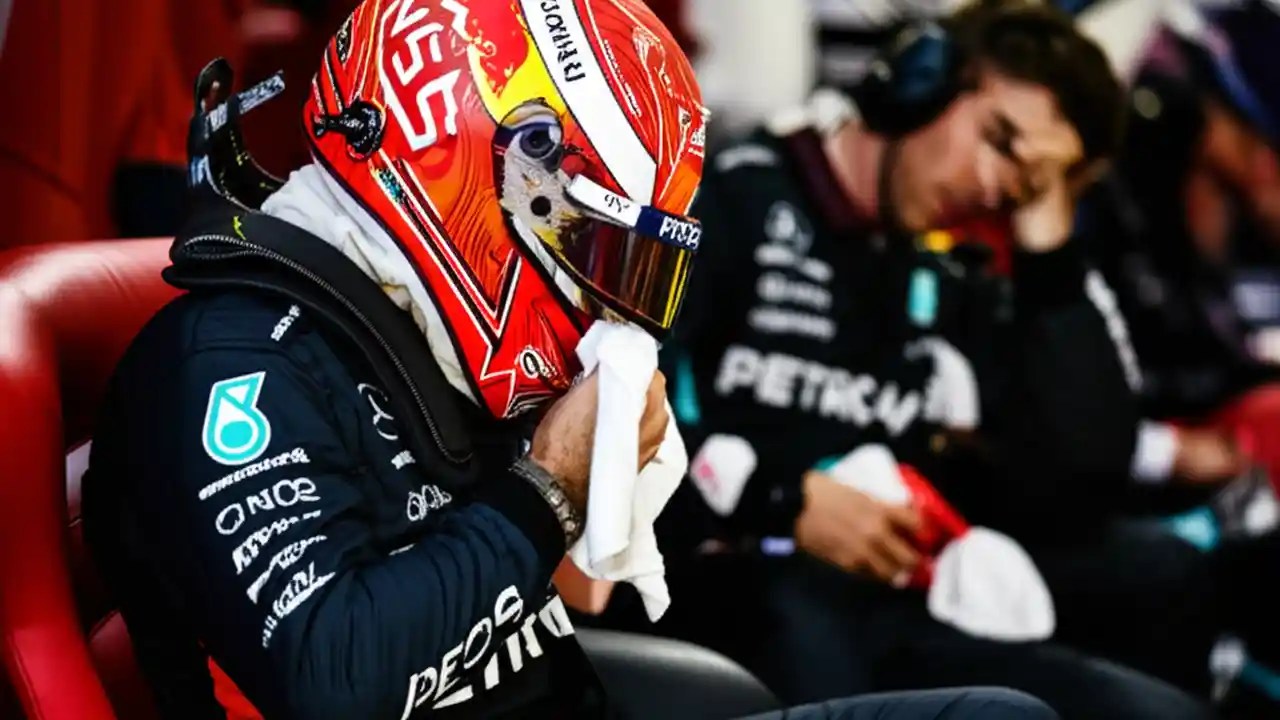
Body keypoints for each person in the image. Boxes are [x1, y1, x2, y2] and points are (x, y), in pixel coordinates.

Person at [81, 1, 1055, 718]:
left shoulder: (423, 335)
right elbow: (329, 683)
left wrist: (600, 509)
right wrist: (548, 490)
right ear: (457, 159)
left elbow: (577, 595)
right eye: (592, 252)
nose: (607, 302)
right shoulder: (222, 367)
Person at [628, 1, 1219, 718]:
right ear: (919, 84)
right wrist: (780, 505)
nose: (995, 184)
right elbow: (612, 409)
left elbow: (1081, 475)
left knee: (1162, 613)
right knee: (800, 608)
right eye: (997, 139)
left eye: (1028, 181)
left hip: (898, 601)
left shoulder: (952, 270)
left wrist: (1048, 244)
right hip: (747, 579)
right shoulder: (733, 200)